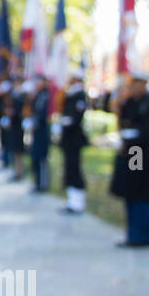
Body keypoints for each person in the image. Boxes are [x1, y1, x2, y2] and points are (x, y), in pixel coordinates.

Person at [109, 71, 149, 247]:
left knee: (139, 190)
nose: (131, 88)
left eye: (135, 84)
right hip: (130, 151)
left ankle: (141, 235)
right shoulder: (129, 103)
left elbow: (147, 132)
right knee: (130, 190)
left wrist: (132, 135)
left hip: (139, 152)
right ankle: (132, 234)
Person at [58, 69, 90, 214]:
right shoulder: (70, 93)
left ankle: (78, 202)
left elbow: (76, 117)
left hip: (74, 138)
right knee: (69, 168)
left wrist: (66, 122)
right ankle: (72, 201)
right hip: (68, 138)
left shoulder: (79, 94)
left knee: (74, 168)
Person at [27, 75, 51, 193]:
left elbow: (44, 114)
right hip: (36, 130)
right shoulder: (37, 95)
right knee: (35, 157)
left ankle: (43, 184)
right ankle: (37, 182)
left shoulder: (46, 95)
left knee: (42, 158)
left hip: (42, 131)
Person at [5, 76, 27, 180]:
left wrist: (13, 113)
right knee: (14, 150)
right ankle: (16, 170)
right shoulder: (13, 95)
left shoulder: (22, 96)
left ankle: (20, 171)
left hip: (19, 126)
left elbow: (22, 112)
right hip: (13, 127)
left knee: (19, 150)